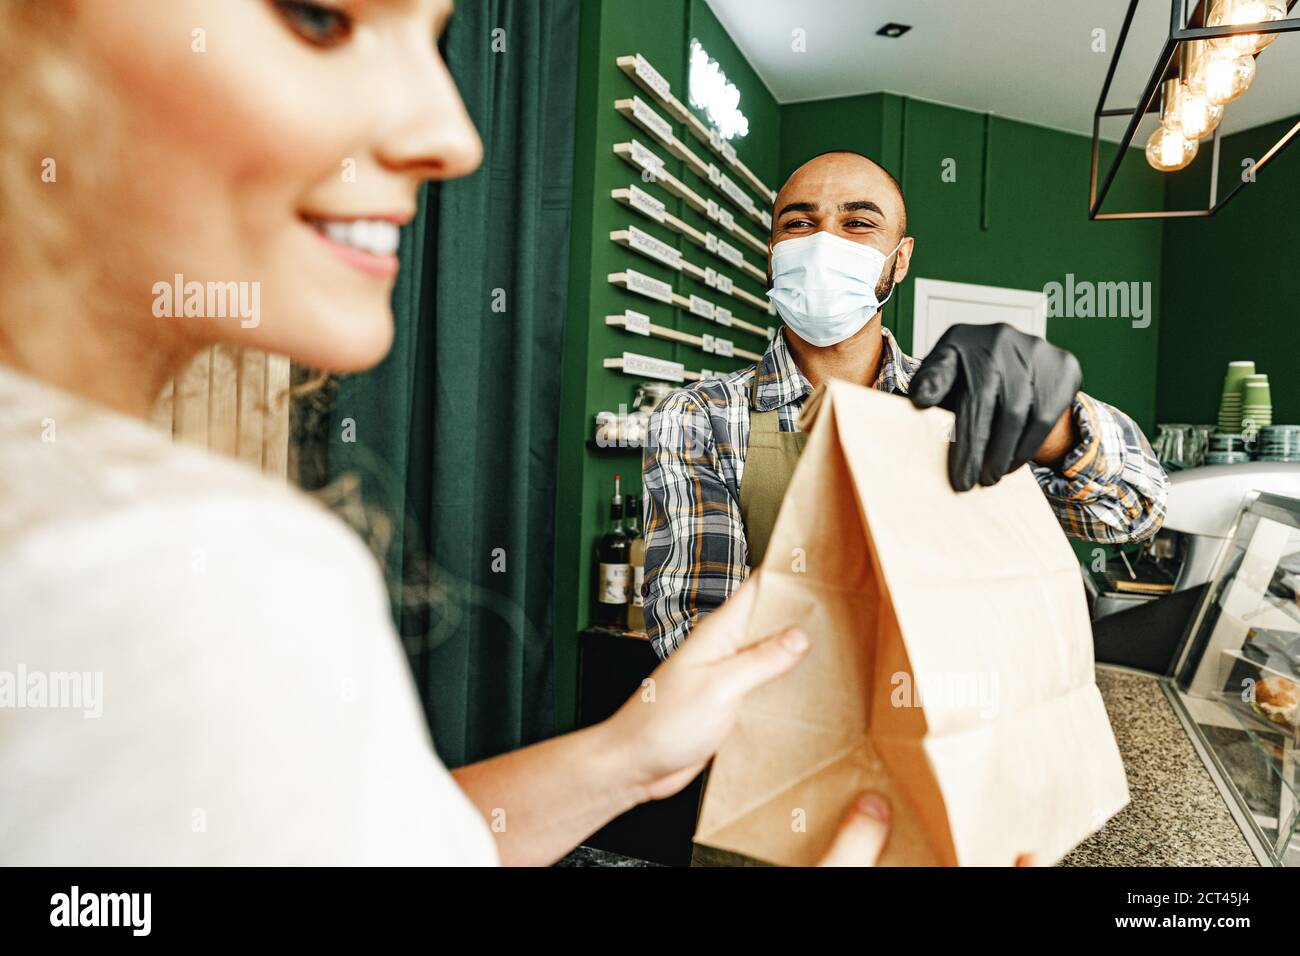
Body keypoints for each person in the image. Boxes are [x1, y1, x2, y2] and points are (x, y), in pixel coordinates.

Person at [0, 0, 892, 866]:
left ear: (900, 258)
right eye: (320, 18)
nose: (454, 138)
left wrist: (629, 753)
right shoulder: (162, 567)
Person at [642, 150, 1170, 658]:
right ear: (773, 254)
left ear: (901, 259)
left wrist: (1055, 431)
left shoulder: (960, 403)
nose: (825, 242)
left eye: (858, 223)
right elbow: (696, 634)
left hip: (957, 729)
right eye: (799, 224)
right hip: (783, 734)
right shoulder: (698, 416)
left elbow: (1133, 515)